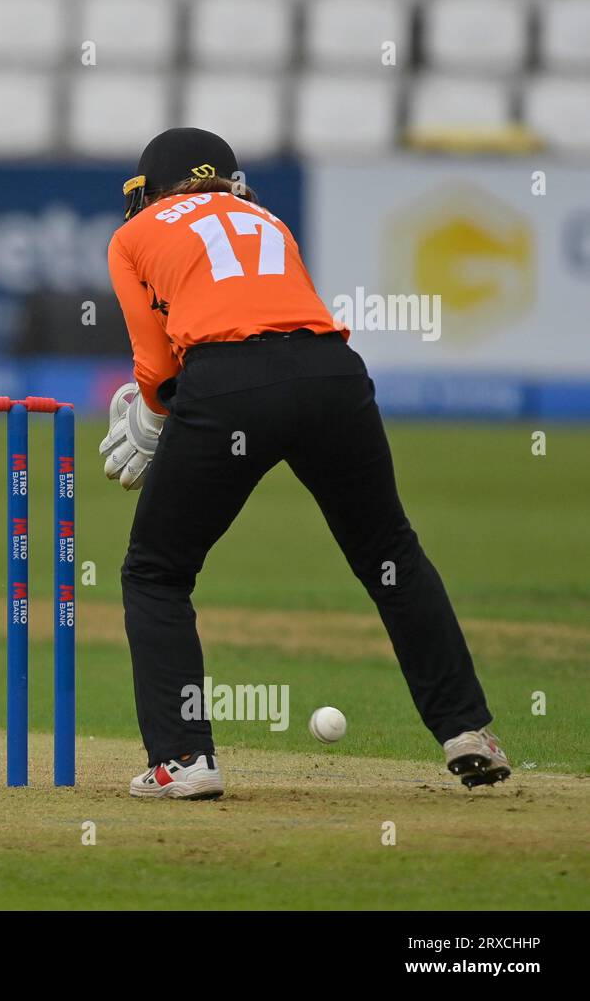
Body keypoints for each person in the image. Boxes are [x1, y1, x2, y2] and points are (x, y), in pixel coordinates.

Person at [99, 127, 510, 800]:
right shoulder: (267, 219)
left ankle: (184, 758)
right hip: (331, 375)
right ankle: (467, 730)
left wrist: (152, 419)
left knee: (157, 571)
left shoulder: (133, 234)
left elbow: (155, 363)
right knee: (391, 555)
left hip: (227, 383)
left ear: (153, 187)